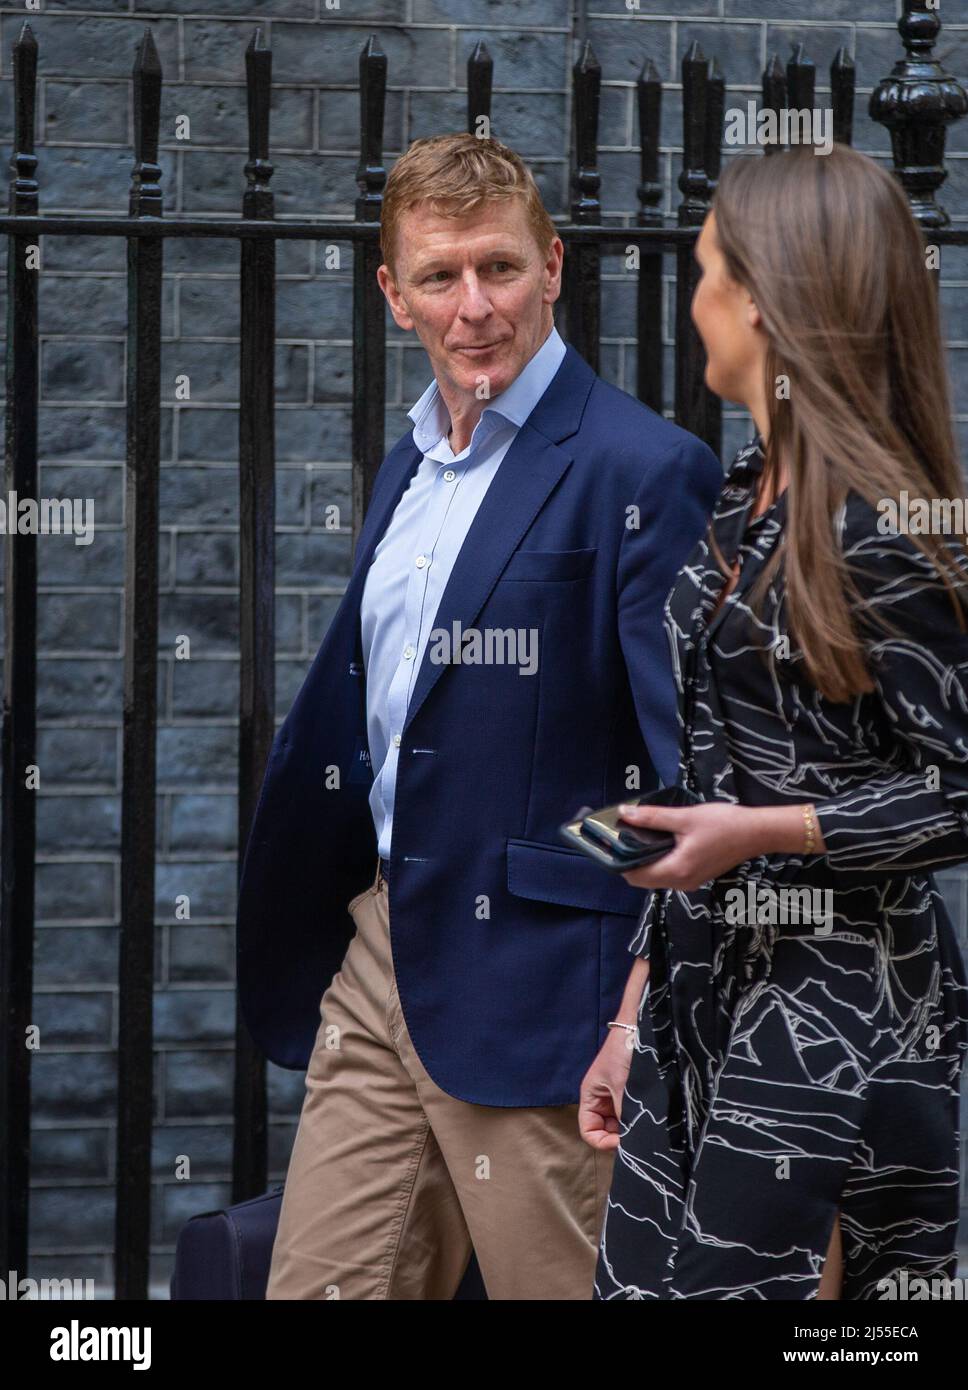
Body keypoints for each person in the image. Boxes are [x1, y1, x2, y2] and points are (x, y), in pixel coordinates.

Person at [235, 132, 722, 1299]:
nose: (473, 309)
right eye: (441, 276)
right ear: (391, 292)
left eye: (498, 269)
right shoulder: (409, 465)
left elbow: (682, 769)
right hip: (382, 946)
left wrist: (624, 982)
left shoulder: (641, 469)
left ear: (552, 267)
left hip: (545, 981)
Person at [584, 143, 968, 1300]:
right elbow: (714, 778)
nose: (692, 300)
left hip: (832, 1014)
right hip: (707, 989)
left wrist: (766, 835)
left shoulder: (883, 527)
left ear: (759, 296)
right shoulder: (748, 498)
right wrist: (632, 1011)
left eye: (704, 272)